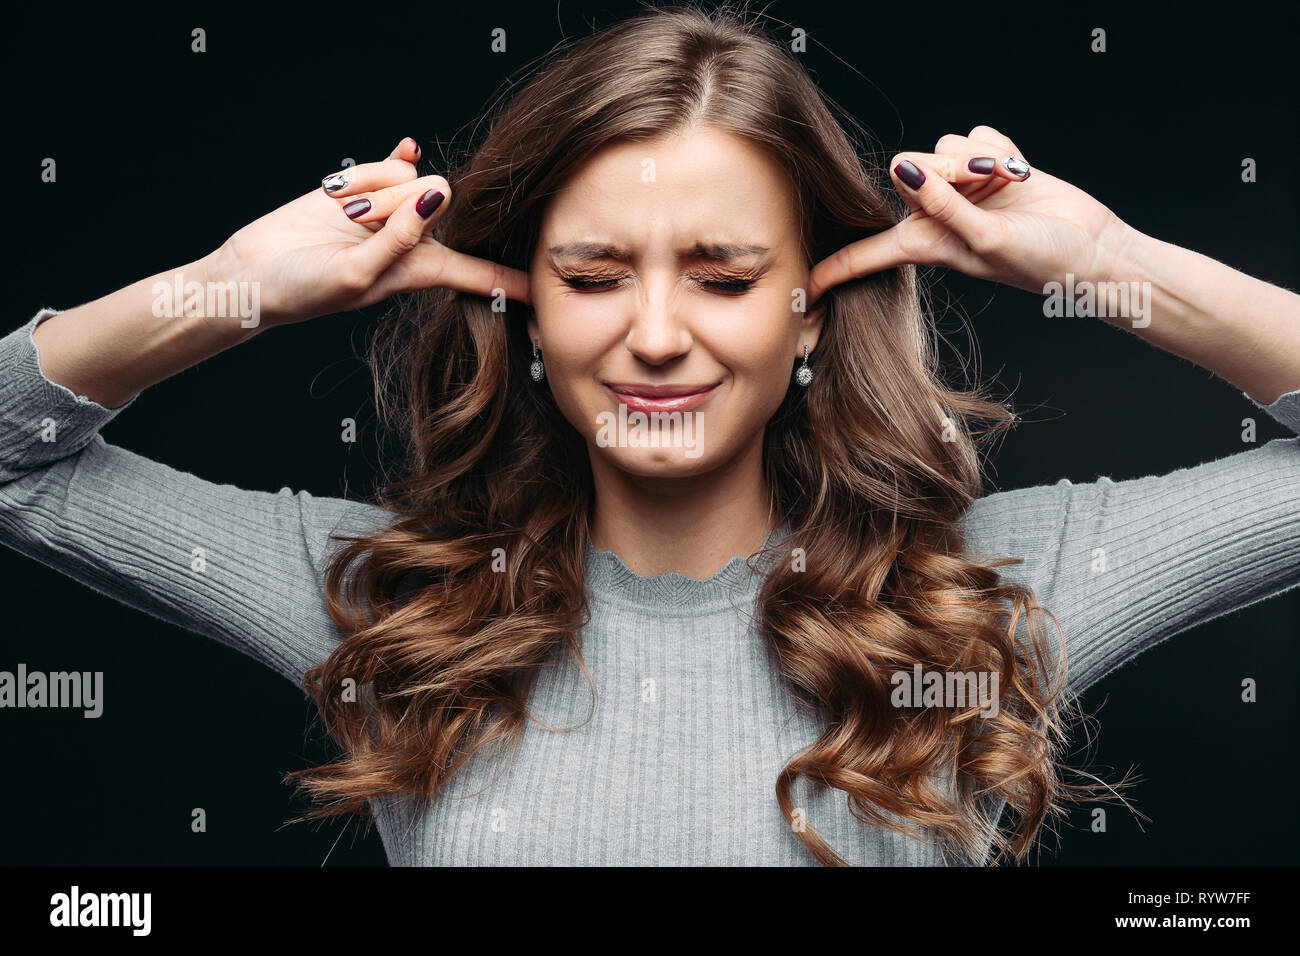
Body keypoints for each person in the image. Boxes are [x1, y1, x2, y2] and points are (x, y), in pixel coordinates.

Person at [3, 4, 1298, 866]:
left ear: (809, 314)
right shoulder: (393, 603)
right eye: (596, 273)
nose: (659, 335)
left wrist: (1106, 259)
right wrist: (237, 283)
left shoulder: (990, 598)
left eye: (726, 277)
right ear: (521, 306)